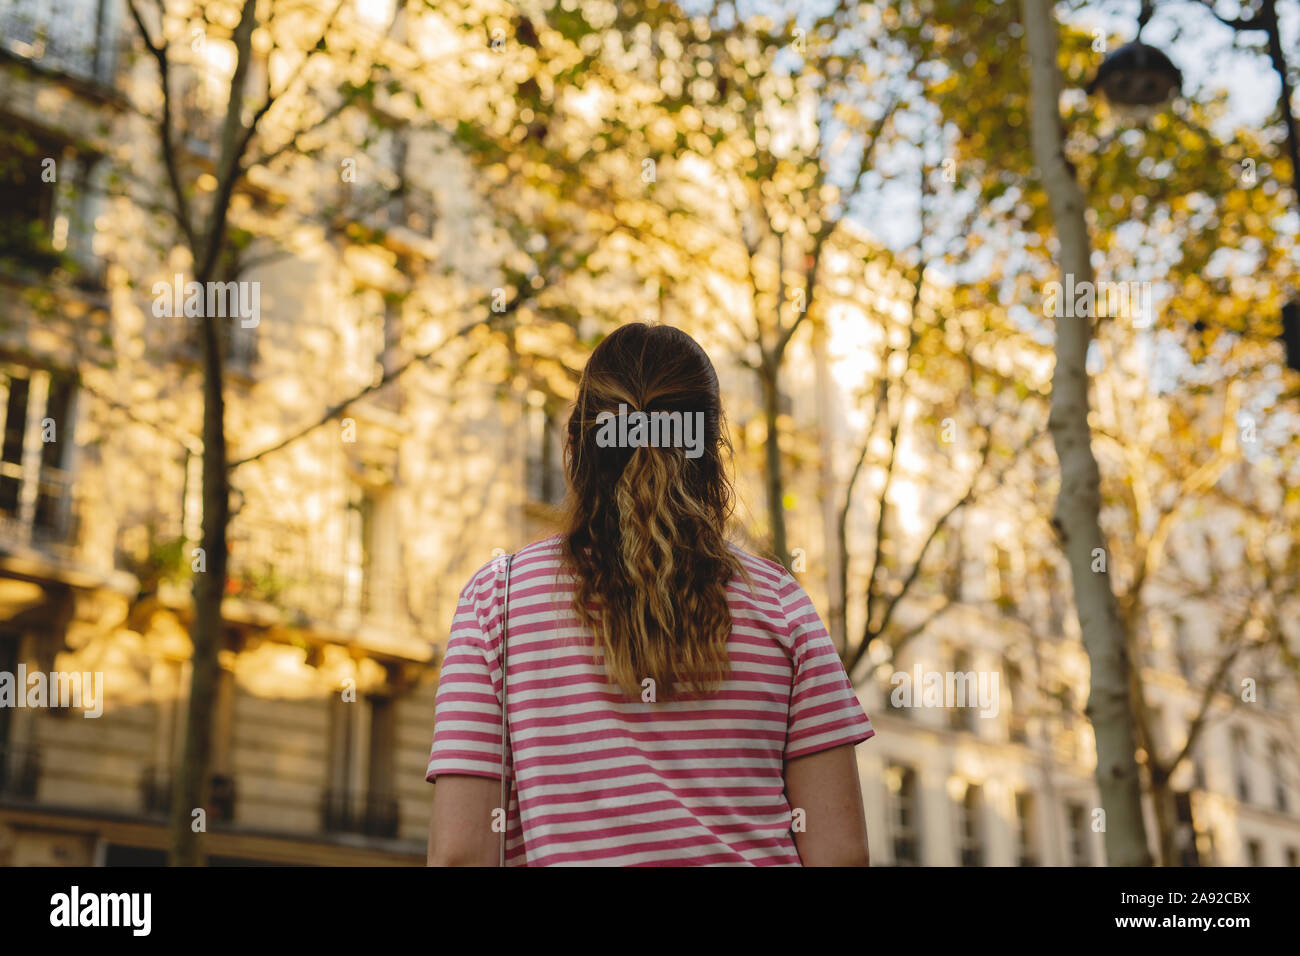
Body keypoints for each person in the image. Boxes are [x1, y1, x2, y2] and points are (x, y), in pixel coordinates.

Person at [426, 322, 873, 866]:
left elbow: (461, 855)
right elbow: (840, 855)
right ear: (711, 451)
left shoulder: (497, 601)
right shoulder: (781, 604)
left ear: (577, 447)